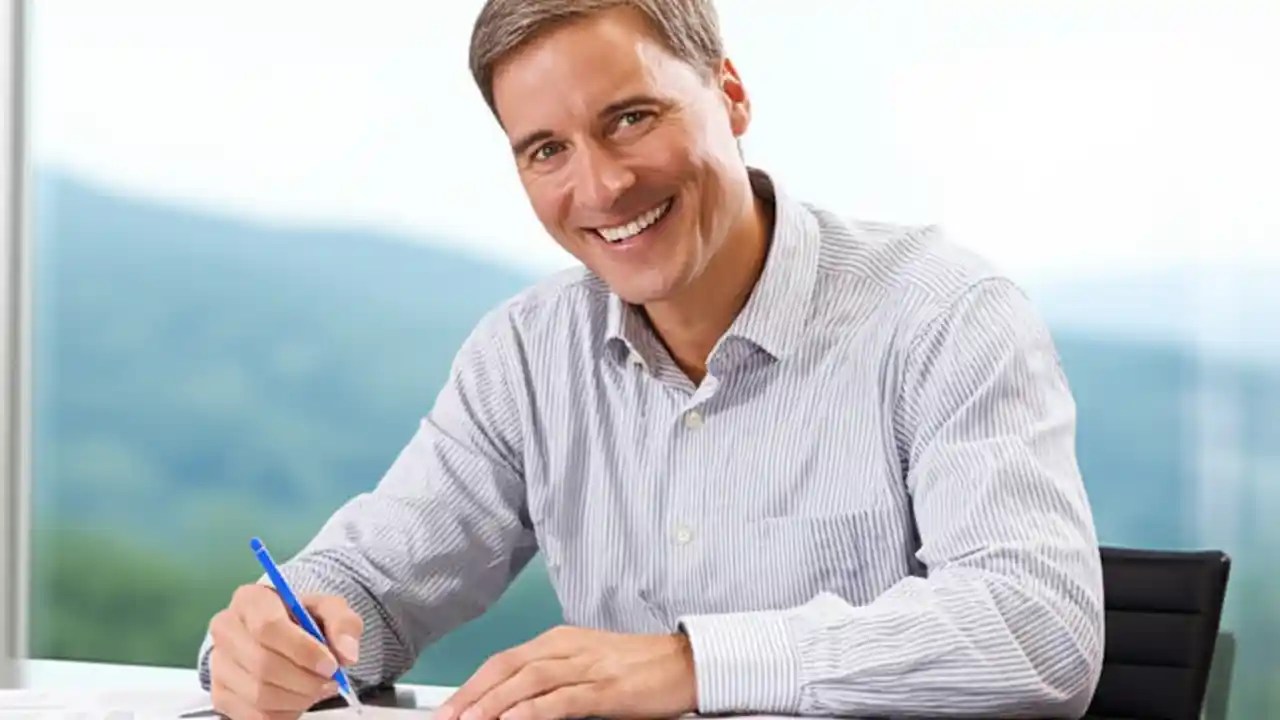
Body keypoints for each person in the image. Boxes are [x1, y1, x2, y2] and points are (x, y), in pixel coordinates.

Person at [198, 1, 1106, 718]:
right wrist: (275, 642)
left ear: (732, 94)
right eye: (547, 150)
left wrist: (689, 665)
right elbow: (367, 587)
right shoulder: (527, 354)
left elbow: (1037, 627)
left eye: (631, 118)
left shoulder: (943, 315)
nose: (600, 186)